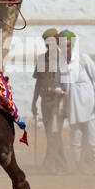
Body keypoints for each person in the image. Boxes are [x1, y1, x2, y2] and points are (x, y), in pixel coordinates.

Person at [54, 30, 95, 174]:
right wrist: (57, 90)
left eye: (68, 46)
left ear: (73, 45)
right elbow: (58, 83)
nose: (66, 49)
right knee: (75, 137)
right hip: (72, 106)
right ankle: (78, 167)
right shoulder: (60, 64)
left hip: (89, 106)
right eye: (63, 46)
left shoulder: (83, 59)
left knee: (93, 136)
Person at [31, 28, 67, 173]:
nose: (49, 44)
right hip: (44, 100)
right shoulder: (41, 59)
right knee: (49, 132)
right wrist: (33, 102)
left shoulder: (63, 59)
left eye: (52, 41)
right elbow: (38, 82)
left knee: (54, 131)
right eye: (47, 41)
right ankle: (61, 162)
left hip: (58, 99)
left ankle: (50, 163)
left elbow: (67, 82)